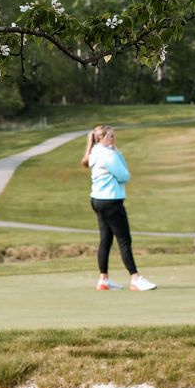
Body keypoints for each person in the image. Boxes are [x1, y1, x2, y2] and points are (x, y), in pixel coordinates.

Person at [81, 125, 156, 292]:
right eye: (111, 136)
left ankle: (104, 280)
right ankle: (135, 278)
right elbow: (125, 176)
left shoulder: (94, 152)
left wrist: (116, 153)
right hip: (111, 202)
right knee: (124, 240)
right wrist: (118, 153)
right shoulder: (109, 155)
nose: (114, 139)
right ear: (101, 138)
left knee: (106, 240)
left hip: (97, 200)